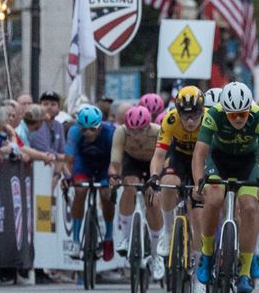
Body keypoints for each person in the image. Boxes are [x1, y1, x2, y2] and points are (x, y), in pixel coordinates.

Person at [193, 82, 259, 293]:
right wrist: (198, 182)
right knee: (213, 200)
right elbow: (199, 153)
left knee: (250, 208)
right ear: (225, 111)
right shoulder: (214, 114)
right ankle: (207, 254)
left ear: (249, 109)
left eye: (242, 114)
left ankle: (245, 271)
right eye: (233, 115)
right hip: (218, 160)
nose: (238, 119)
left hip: (248, 162)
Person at [149, 86, 208, 293]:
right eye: (185, 115)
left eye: (194, 115)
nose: (190, 121)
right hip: (179, 157)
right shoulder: (171, 119)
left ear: (202, 111)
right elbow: (159, 154)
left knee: (198, 219)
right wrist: (154, 176)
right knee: (168, 183)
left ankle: (199, 281)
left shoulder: (210, 120)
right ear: (178, 112)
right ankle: (167, 232)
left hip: (203, 160)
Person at [111, 105, 164, 281]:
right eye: (132, 131)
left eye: (140, 130)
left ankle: (156, 254)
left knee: (153, 203)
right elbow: (115, 161)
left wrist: (155, 180)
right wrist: (114, 177)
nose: (136, 135)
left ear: (148, 126)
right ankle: (126, 238)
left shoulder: (158, 132)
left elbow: (164, 158)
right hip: (132, 161)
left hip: (153, 163)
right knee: (129, 186)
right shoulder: (121, 132)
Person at [65, 106, 117, 262]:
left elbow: (116, 161)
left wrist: (114, 177)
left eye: (92, 129)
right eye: (84, 129)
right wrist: (67, 178)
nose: (87, 133)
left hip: (105, 165)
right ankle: (75, 240)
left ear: (100, 127)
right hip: (84, 163)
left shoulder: (111, 133)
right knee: (80, 191)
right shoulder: (74, 132)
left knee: (106, 195)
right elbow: (68, 161)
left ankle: (108, 237)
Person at [28, 91, 67, 159]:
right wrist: (60, 156)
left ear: (58, 108)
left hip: (55, 163)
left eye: (53, 104)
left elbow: (62, 149)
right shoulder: (35, 124)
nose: (49, 107)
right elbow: (42, 149)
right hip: (38, 162)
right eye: (45, 104)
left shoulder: (59, 126)